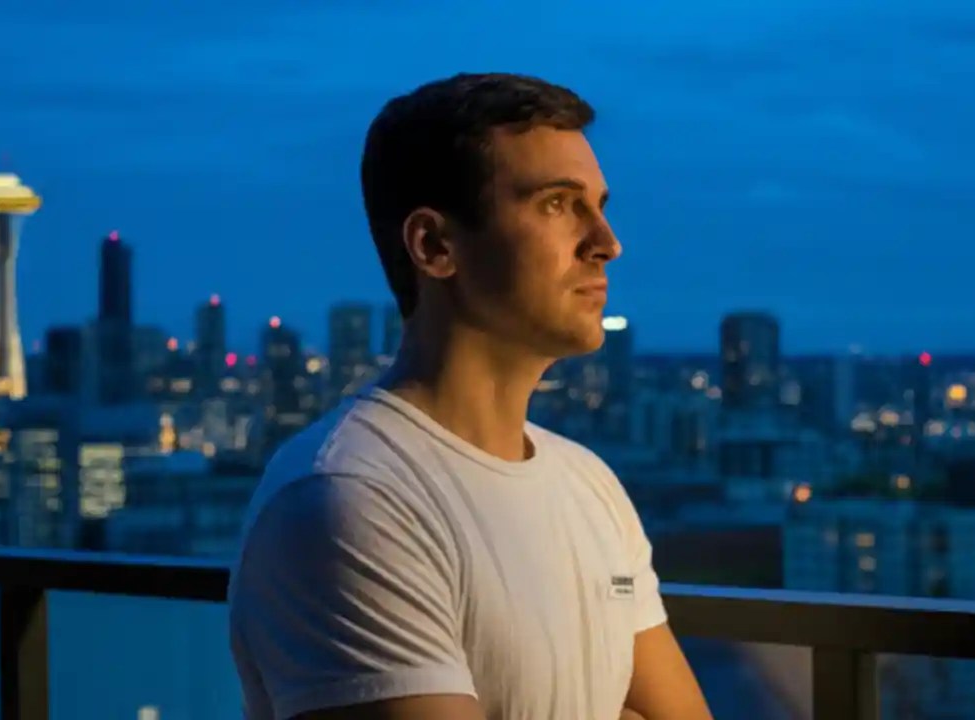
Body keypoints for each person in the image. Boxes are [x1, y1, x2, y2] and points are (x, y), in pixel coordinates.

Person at [227, 72, 714, 720]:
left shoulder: (590, 488)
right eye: (557, 204)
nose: (606, 243)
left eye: (598, 204)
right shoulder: (347, 498)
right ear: (434, 246)